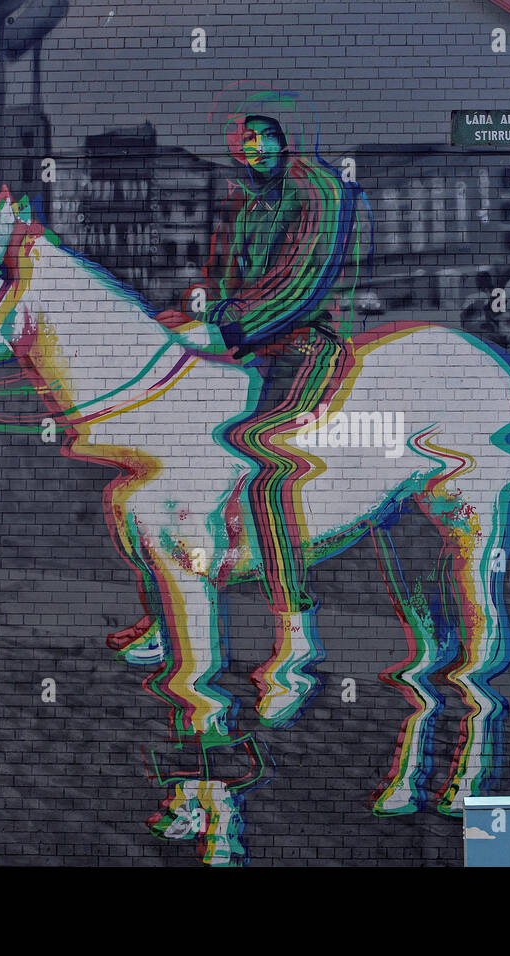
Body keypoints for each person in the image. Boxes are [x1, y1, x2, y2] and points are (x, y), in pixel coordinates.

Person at [157, 112, 364, 725]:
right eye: (245, 146)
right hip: (255, 350)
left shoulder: (319, 193)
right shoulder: (249, 208)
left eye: (263, 143)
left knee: (263, 458)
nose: (254, 153)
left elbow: (304, 287)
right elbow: (234, 284)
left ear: (284, 145)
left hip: (310, 346)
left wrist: (228, 328)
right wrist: (197, 318)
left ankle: (296, 640)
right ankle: (169, 603)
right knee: (176, 444)